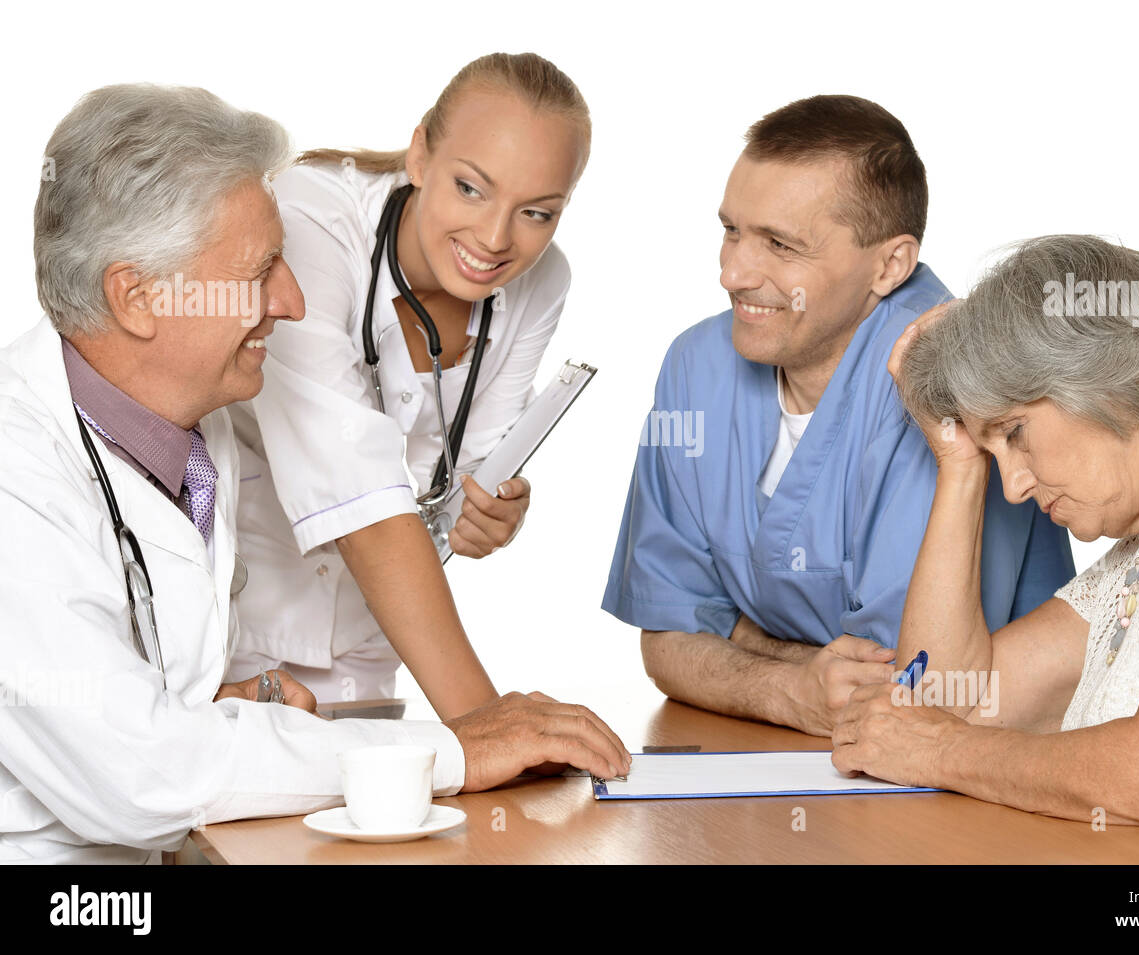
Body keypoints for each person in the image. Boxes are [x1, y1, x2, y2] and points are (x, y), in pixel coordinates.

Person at [0, 83, 628, 864]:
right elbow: (143, 774)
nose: (292, 304)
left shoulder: (189, 436)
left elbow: (130, 711)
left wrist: (207, 709)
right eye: (263, 270)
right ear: (136, 296)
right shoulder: (15, 474)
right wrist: (460, 748)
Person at [602, 95, 1074, 737]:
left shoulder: (949, 380)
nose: (732, 273)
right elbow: (666, 642)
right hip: (781, 769)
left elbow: (910, 691)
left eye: (781, 244)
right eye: (732, 230)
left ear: (890, 266)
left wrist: (737, 635)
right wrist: (789, 684)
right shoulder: (696, 365)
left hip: (974, 783)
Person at [831, 234, 1139, 865]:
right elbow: (950, 700)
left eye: (1016, 434)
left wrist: (937, 751)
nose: (1015, 487)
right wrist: (958, 463)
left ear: (1098, 374)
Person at [226, 52, 590, 709]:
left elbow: (461, 480)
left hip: (371, 646)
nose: (495, 236)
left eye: (537, 212)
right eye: (472, 188)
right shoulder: (310, 216)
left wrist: (487, 514)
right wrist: (484, 721)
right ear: (421, 155)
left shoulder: (544, 282)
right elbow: (354, 484)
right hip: (237, 634)